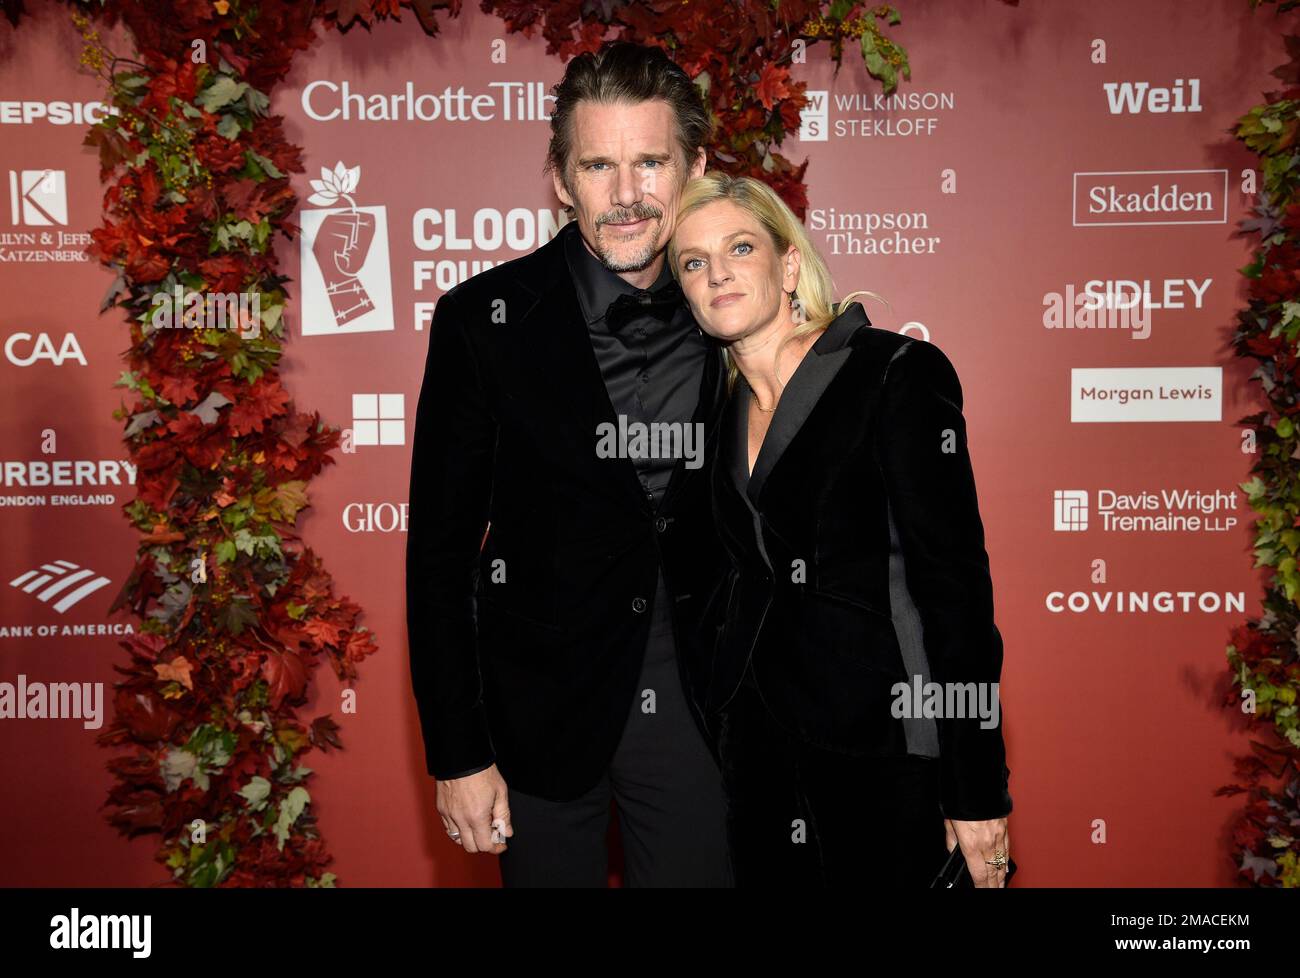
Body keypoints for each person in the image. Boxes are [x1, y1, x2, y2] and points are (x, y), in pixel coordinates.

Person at [405, 41, 734, 887]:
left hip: (700, 714)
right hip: (537, 717)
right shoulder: (483, 321)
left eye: (651, 162)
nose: (626, 196)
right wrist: (457, 751)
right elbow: (437, 557)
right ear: (560, 178)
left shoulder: (739, 310)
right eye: (598, 165)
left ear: (694, 167)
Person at [668, 172, 1013, 887]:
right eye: (693, 263)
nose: (717, 274)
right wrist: (718, 694)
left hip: (883, 743)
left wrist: (973, 785)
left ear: (789, 263)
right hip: (755, 753)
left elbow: (954, 591)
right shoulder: (706, 414)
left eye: (739, 248)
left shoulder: (893, 374)